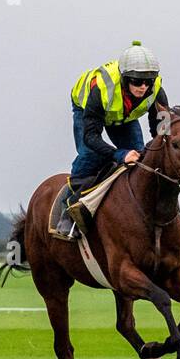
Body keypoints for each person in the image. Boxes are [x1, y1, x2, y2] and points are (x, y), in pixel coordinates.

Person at [59, 40, 170, 239]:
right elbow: (91, 137)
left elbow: (161, 130)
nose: (143, 87)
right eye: (137, 81)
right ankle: (67, 207)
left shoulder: (157, 90)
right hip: (88, 109)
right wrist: (119, 154)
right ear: (125, 78)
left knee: (139, 158)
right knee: (91, 156)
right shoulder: (102, 89)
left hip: (123, 116)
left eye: (148, 81)